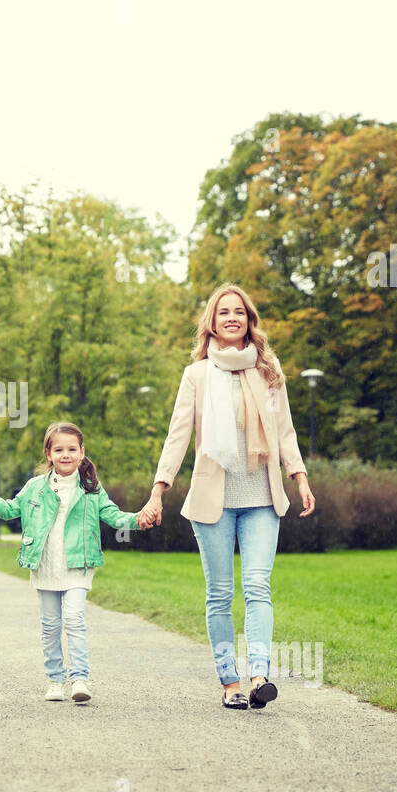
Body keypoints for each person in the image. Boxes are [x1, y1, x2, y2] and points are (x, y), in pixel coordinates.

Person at [137, 283, 316, 710]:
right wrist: (158, 491)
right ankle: (229, 683)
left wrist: (300, 475)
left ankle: (259, 677)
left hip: (261, 496)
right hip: (211, 499)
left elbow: (285, 431)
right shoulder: (197, 375)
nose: (232, 317)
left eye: (240, 312)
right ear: (212, 323)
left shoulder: (269, 370)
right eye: (224, 312)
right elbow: (177, 435)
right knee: (220, 594)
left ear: (249, 321)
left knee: (257, 585)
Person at [0, 421, 149, 703]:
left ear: (81, 453)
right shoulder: (35, 487)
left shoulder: (91, 489)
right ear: (48, 454)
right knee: (50, 625)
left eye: (71, 449)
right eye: (59, 449)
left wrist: (139, 519)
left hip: (78, 564)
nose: (65, 454)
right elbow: (9, 510)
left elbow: (115, 517)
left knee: (74, 619)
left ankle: (79, 678)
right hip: (45, 565)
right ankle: (55, 680)